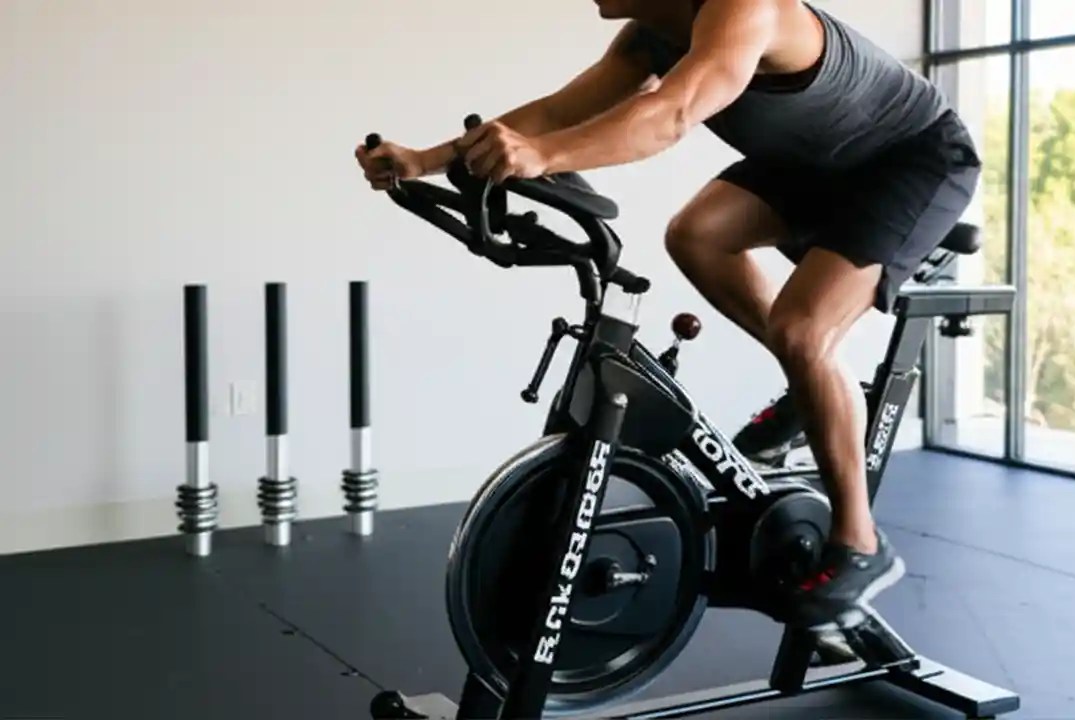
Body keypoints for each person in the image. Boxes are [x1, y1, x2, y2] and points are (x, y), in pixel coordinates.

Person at [355, 0, 981, 638]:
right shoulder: (648, 37)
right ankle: (811, 385)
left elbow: (670, 114)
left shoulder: (745, 7)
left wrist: (542, 157)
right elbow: (555, 113)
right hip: (815, 165)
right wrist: (427, 159)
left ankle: (861, 543)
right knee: (697, 235)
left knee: (802, 329)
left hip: (908, 160)